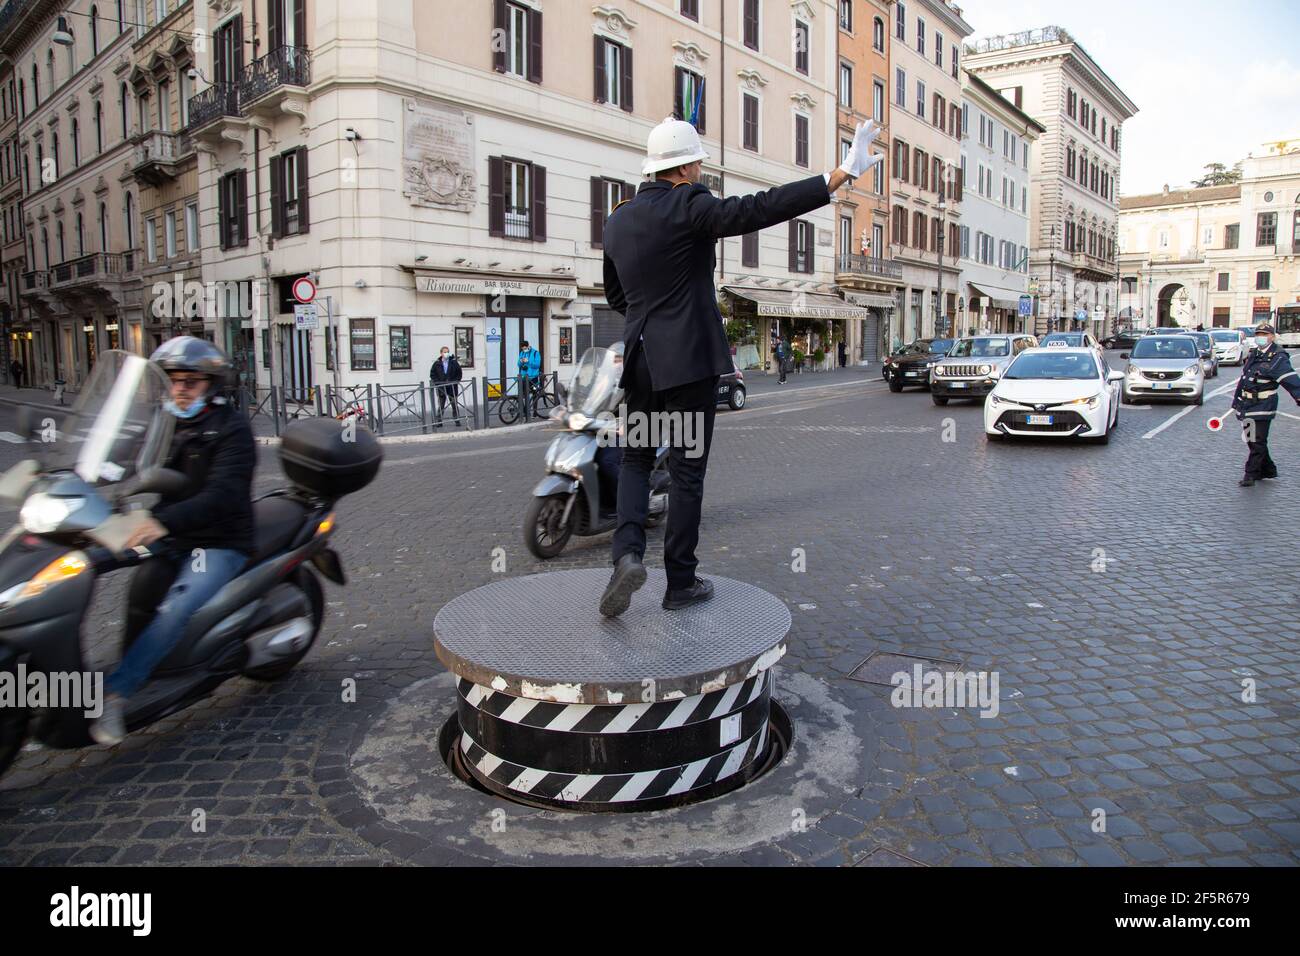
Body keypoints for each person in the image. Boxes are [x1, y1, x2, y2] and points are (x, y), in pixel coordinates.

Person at [597, 115, 882, 616]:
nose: (702, 168)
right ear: (684, 167)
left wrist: (651, 316)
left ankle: (625, 557)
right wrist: (837, 176)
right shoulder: (690, 204)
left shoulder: (618, 218)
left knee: (638, 459)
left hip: (641, 360)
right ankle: (679, 583)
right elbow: (758, 209)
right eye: (699, 161)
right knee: (686, 473)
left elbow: (618, 295)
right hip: (687, 363)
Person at [90, 337, 256, 744]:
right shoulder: (166, 423)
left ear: (211, 385)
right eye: (172, 381)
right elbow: (121, 460)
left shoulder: (232, 429)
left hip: (219, 540)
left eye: (190, 382)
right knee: (86, 561)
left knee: (173, 608)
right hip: (169, 529)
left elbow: (223, 496)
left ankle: (116, 695)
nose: (179, 389)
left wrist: (163, 523)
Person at [1230, 323, 1300, 487]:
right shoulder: (1254, 354)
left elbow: (1290, 380)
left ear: (1272, 337)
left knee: (1257, 440)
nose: (1261, 337)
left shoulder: (1278, 357)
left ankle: (1250, 474)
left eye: (1264, 334)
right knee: (1251, 439)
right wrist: (1237, 400)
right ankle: (1268, 469)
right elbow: (1244, 379)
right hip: (1248, 404)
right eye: (1258, 334)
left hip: (1264, 404)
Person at [430, 345, 463, 427]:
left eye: (447, 352)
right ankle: (439, 422)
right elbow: (432, 374)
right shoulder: (437, 363)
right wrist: (437, 383)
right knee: (441, 405)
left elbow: (459, 373)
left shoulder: (454, 362)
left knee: (454, 404)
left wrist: (455, 381)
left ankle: (457, 420)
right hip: (441, 387)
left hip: (452, 386)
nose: (446, 353)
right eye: (445, 352)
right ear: (441, 353)